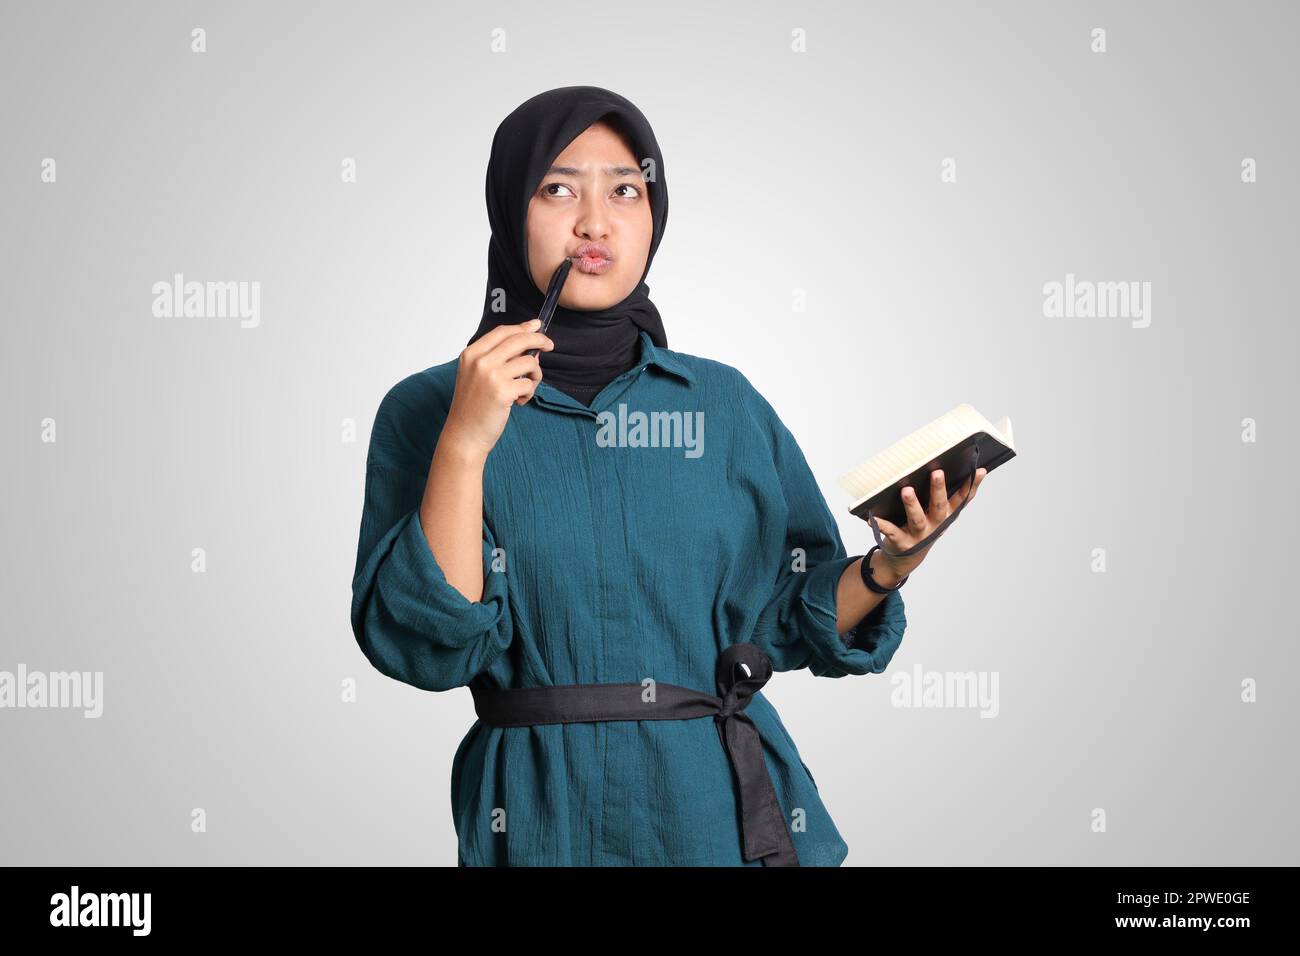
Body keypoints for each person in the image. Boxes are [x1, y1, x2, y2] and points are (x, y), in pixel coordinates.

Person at [350, 86, 986, 867]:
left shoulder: (724, 403)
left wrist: (892, 565)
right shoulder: (427, 410)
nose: (594, 221)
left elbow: (789, 617)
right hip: (542, 819)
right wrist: (464, 446)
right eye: (558, 189)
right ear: (508, 210)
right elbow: (428, 647)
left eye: (625, 189)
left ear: (655, 214)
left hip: (715, 815)